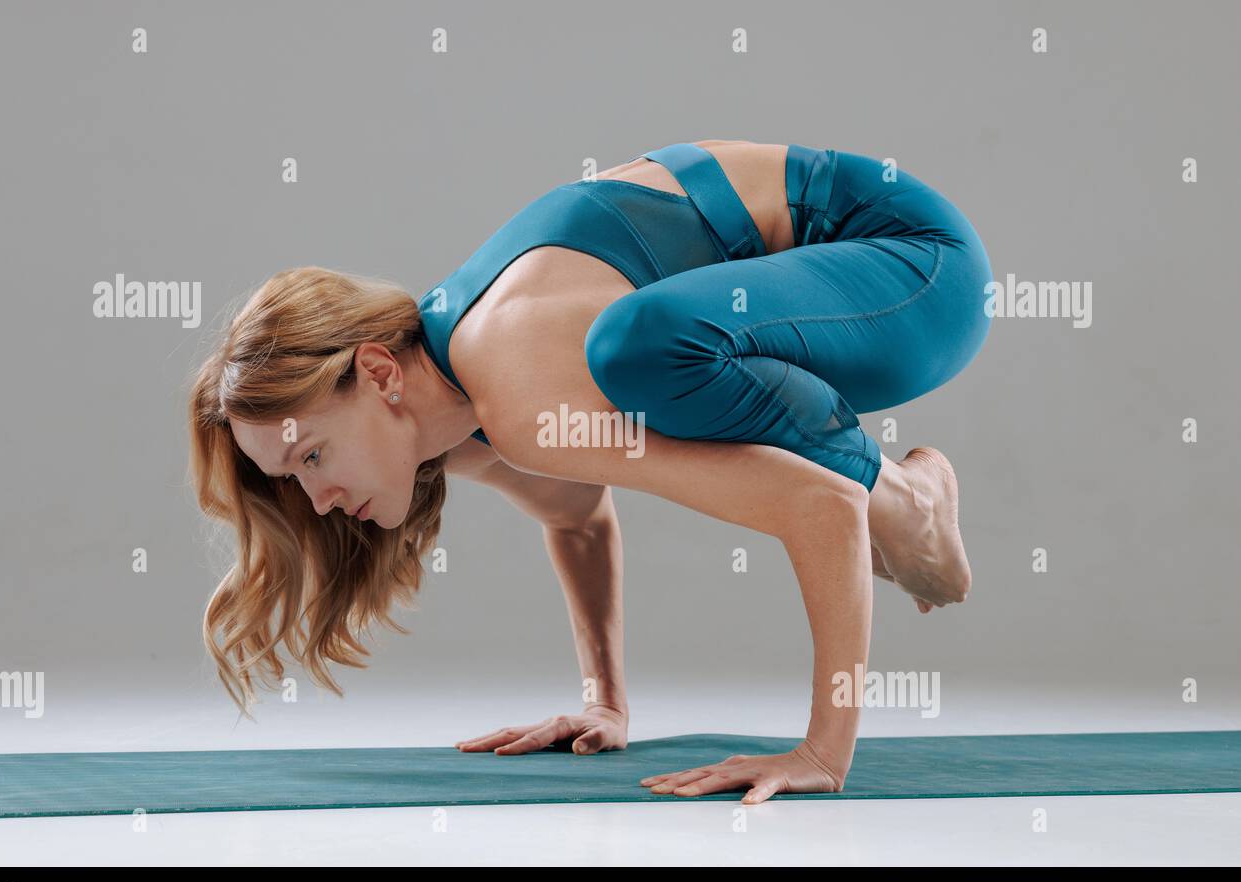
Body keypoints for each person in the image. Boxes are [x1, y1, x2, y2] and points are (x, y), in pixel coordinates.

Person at [188, 139, 992, 803]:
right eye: (292, 480)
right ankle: (900, 494)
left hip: (916, 268)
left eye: (312, 456)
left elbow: (817, 507)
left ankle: (905, 496)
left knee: (636, 345)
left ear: (379, 373)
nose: (318, 499)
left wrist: (823, 750)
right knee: (640, 346)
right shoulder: (469, 412)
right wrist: (603, 701)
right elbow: (576, 515)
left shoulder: (511, 389)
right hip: (850, 290)